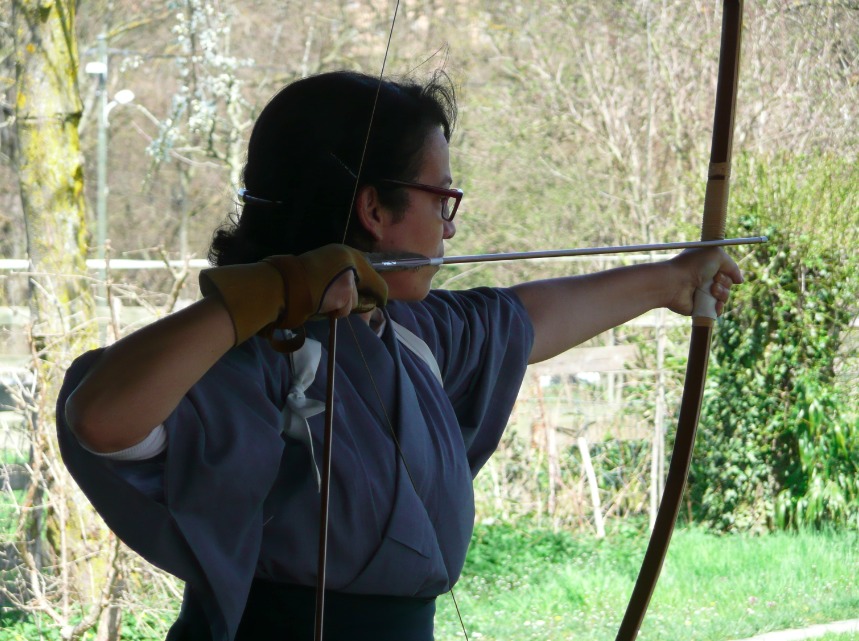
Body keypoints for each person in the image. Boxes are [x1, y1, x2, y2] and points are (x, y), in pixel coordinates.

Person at [56, 70, 742, 641]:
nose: (447, 226)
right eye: (440, 197)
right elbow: (102, 417)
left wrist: (669, 281)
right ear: (374, 210)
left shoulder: (408, 333)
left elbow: (523, 319)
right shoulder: (251, 355)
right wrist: (268, 293)